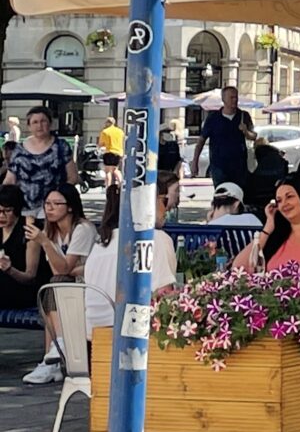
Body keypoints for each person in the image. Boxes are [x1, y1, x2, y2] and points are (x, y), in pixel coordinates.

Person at [21, 182, 96, 384]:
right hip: (68, 285)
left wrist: (45, 243)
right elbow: (60, 270)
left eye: (56, 204)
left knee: (56, 285)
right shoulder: (51, 231)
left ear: (70, 207)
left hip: (90, 286)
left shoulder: (82, 229)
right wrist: (51, 246)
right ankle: (53, 356)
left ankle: (56, 352)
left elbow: (63, 269)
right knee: (53, 286)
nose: (50, 208)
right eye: (47, 204)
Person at [83, 183, 177, 333]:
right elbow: (165, 297)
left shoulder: (100, 245)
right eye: (164, 200)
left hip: (92, 334)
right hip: (132, 336)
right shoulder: (156, 239)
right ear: (149, 202)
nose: (166, 208)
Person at [3, 106, 78, 216]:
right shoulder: (19, 150)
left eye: (43, 121)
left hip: (54, 209)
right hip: (24, 208)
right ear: (29, 126)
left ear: (50, 123)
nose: (39, 125)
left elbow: (73, 177)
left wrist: (58, 198)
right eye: (35, 122)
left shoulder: (61, 146)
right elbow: (10, 180)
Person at [193, 86, 251, 190]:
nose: (234, 100)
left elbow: (253, 136)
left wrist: (246, 131)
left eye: (236, 97)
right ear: (223, 99)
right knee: (222, 192)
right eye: (231, 97)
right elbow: (201, 141)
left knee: (238, 192)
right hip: (219, 165)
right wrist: (195, 162)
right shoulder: (213, 118)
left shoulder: (243, 115)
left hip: (239, 165)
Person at [0, 183, 44, 316]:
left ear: (17, 210)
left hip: (21, 289)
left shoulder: (28, 230)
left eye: (7, 211)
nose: (1, 215)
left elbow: (30, 276)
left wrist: (10, 270)